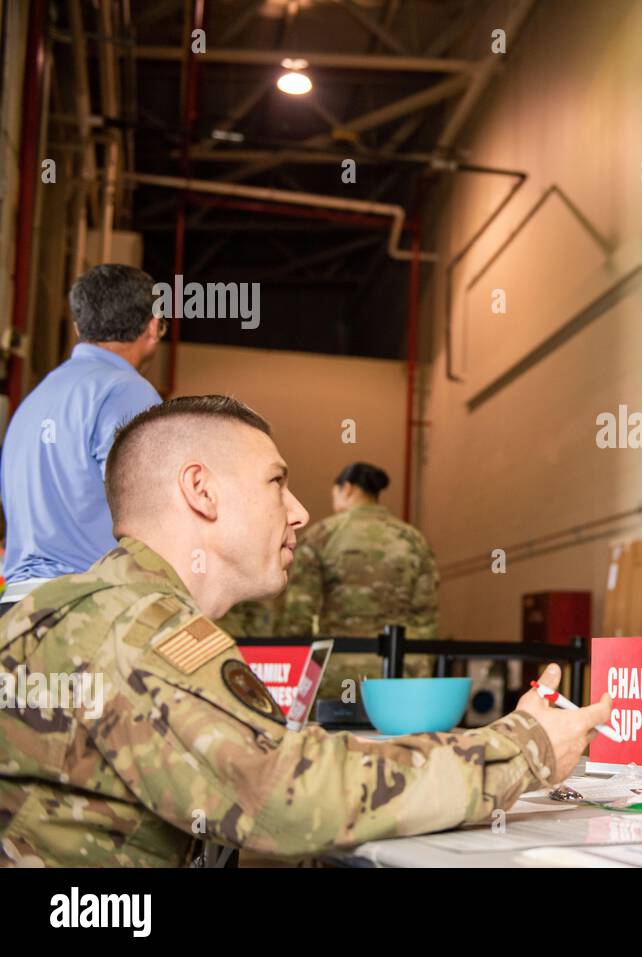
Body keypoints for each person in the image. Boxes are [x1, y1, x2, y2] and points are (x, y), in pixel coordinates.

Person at [0, 395, 610, 866]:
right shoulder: (139, 633)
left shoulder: (82, 608)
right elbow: (290, 797)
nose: (299, 511)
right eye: (276, 482)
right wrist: (526, 746)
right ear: (200, 490)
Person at [0, 264, 164, 616]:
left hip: (17, 610)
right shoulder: (127, 391)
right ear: (153, 326)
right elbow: (150, 511)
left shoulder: (35, 400)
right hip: (84, 607)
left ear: (78, 327)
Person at [279, 462, 439, 699]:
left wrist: (293, 674)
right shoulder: (413, 539)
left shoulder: (322, 535)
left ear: (347, 488)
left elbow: (298, 614)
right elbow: (426, 616)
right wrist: (419, 667)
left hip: (334, 672)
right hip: (397, 674)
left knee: (331, 736)